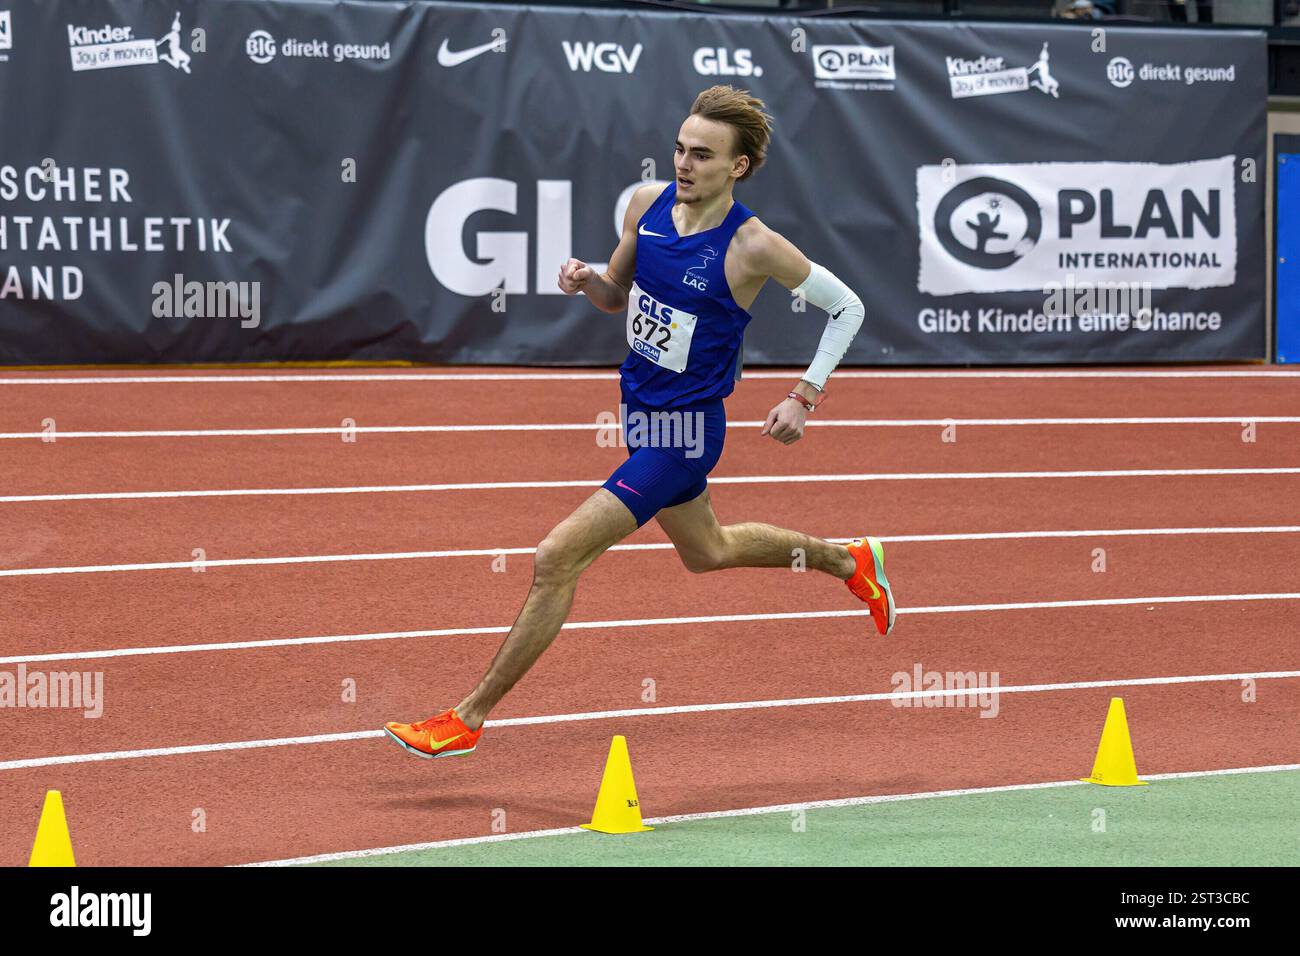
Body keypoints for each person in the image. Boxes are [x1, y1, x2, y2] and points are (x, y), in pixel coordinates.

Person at [384, 85, 896, 760]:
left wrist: (803, 396)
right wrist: (584, 280)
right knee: (707, 551)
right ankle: (847, 558)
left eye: (703, 155)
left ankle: (467, 717)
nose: (684, 164)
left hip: (684, 435)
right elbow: (614, 295)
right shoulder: (644, 206)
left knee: (555, 557)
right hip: (638, 414)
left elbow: (848, 307)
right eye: (680, 149)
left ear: (737, 167)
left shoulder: (753, 247)